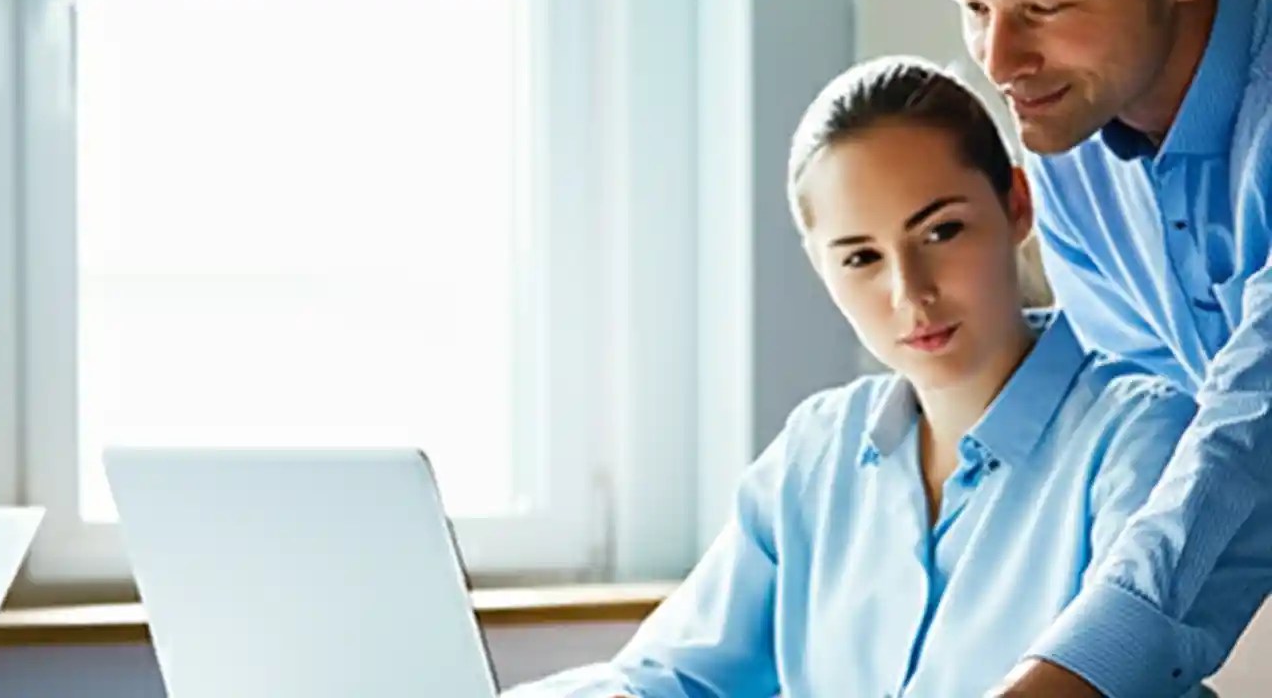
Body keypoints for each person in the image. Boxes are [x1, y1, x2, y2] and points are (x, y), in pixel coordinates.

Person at [500, 57, 1202, 698]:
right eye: (861, 258)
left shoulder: (1140, 434)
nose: (910, 293)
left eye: (941, 232)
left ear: (1017, 204)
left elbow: (1127, 671)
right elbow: (669, 678)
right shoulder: (819, 451)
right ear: (821, 266)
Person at [939, 0, 1272, 695]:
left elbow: (1256, 428)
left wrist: (1074, 672)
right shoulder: (1074, 139)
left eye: (1046, 8)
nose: (998, 62)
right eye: (972, 7)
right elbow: (1155, 428)